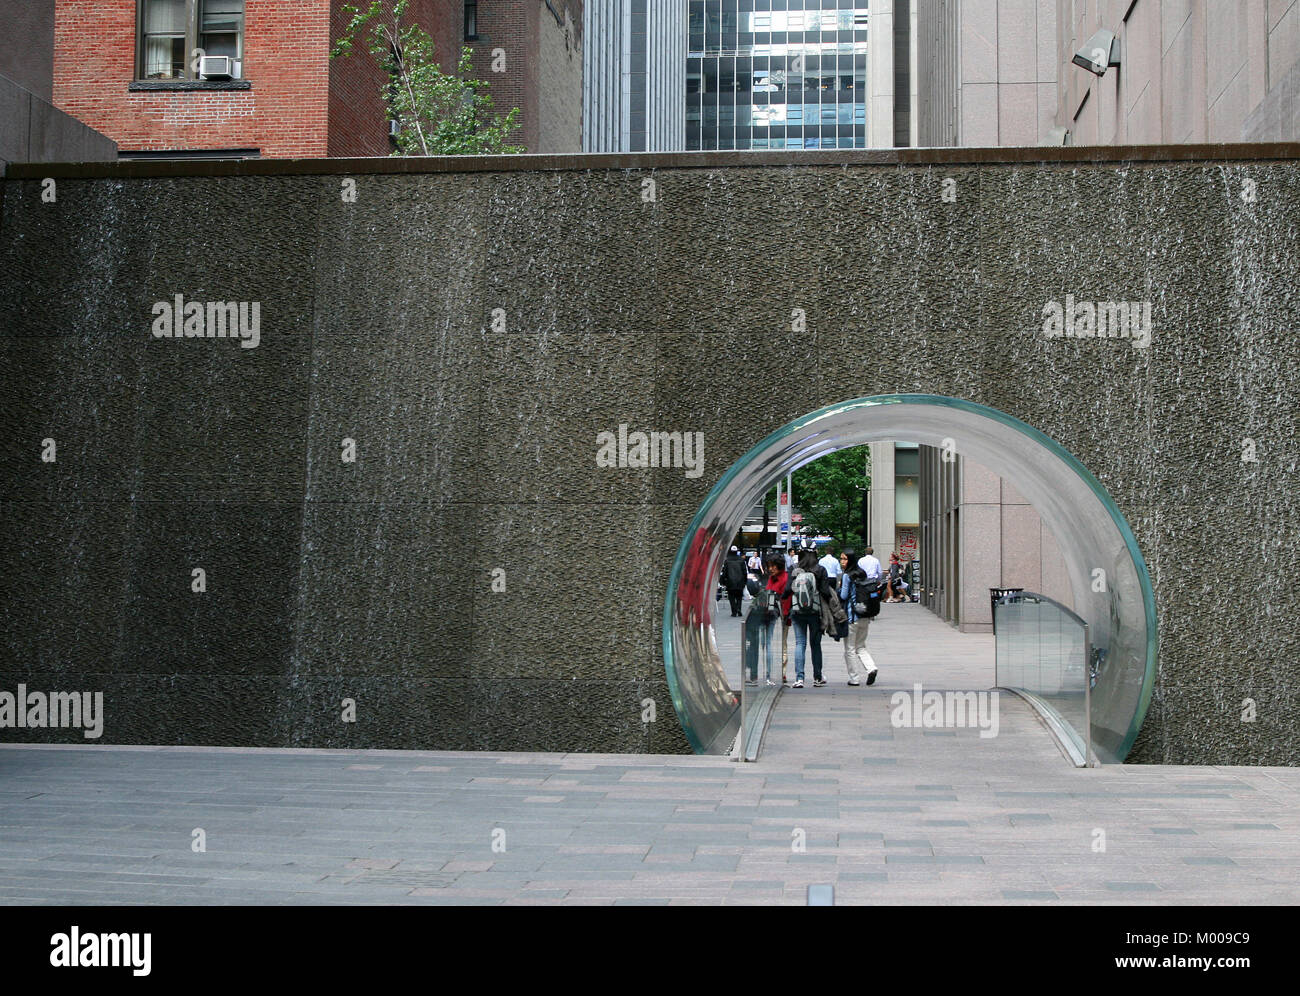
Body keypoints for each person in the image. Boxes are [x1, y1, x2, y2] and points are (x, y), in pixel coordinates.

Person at [784, 550, 827, 688]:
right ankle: (818, 677)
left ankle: (799, 678)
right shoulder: (820, 569)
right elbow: (826, 591)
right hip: (815, 612)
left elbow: (787, 591)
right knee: (815, 644)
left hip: (797, 611)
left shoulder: (794, 569)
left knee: (800, 643)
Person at [839, 548, 879, 686]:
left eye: (844, 559)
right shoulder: (862, 573)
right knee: (860, 646)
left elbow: (844, 596)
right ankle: (871, 668)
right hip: (865, 616)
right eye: (841, 558)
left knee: (849, 649)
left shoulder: (847, 576)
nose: (842, 561)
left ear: (850, 560)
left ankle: (854, 678)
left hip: (852, 617)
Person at [764, 555, 793, 684]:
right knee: (773, 643)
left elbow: (786, 599)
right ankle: (773, 672)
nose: (770, 568)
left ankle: (782, 673)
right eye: (769, 566)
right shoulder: (772, 578)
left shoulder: (785, 578)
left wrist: (785, 617)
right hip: (771, 615)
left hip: (781, 616)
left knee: (782, 644)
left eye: (773, 566)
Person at [722, 546, 748, 616]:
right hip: (740, 581)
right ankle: (739, 608)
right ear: (737, 551)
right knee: (739, 596)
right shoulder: (741, 560)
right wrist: (745, 581)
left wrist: (723, 581)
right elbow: (745, 572)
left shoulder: (727, 560)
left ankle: (734, 611)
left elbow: (724, 572)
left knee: (731, 597)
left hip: (730, 582)